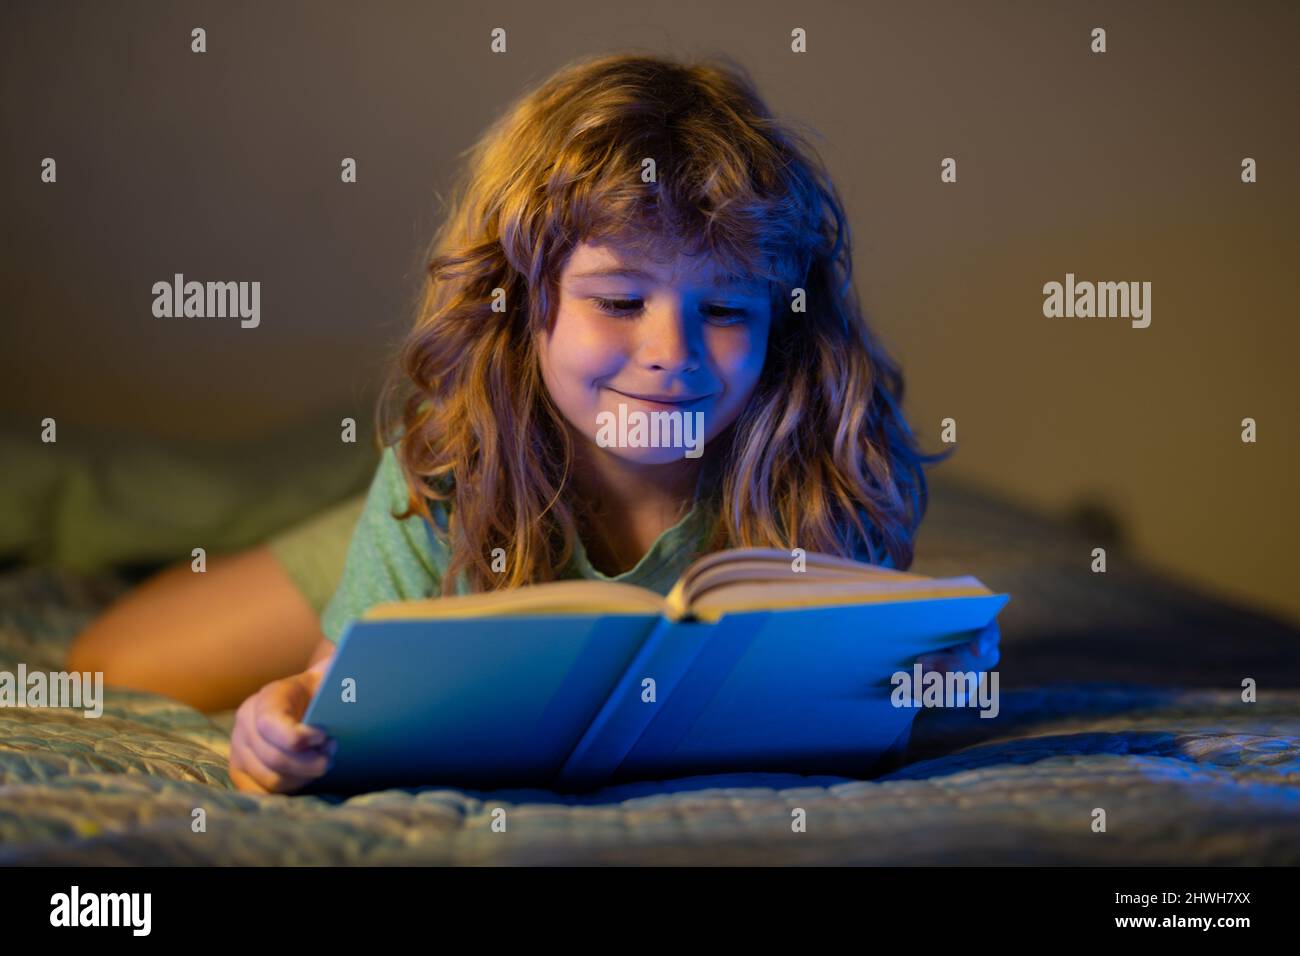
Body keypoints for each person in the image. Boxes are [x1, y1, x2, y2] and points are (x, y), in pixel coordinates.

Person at [85, 52, 999, 793]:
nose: (671, 352)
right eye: (619, 300)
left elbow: (884, 704)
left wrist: (945, 680)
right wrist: (280, 714)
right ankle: (319, 522)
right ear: (520, 306)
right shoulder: (438, 479)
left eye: (725, 313)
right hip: (470, 515)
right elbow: (326, 693)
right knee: (106, 665)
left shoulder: (822, 464)